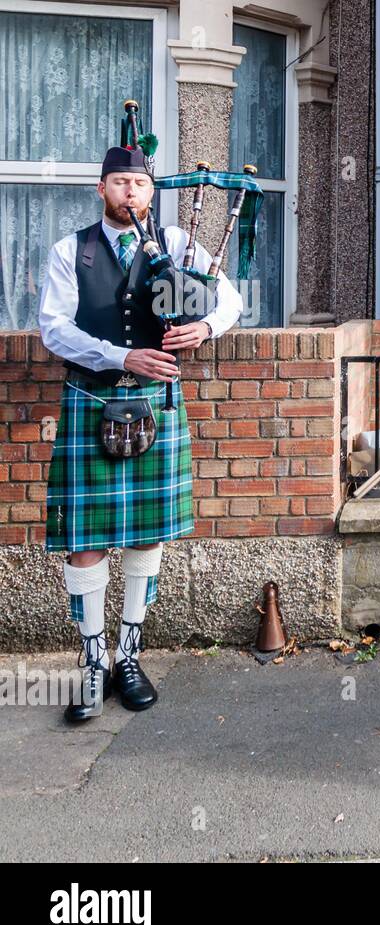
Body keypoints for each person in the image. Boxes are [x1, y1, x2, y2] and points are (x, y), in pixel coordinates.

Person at [39, 143, 243, 722]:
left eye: (142, 185)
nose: (132, 194)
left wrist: (204, 325)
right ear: (101, 190)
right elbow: (53, 329)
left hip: (156, 404)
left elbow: (229, 296)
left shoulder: (176, 244)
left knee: (145, 535)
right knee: (85, 540)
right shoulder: (69, 250)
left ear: (153, 192)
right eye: (121, 183)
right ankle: (92, 661)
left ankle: (129, 656)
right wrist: (121, 357)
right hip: (91, 398)